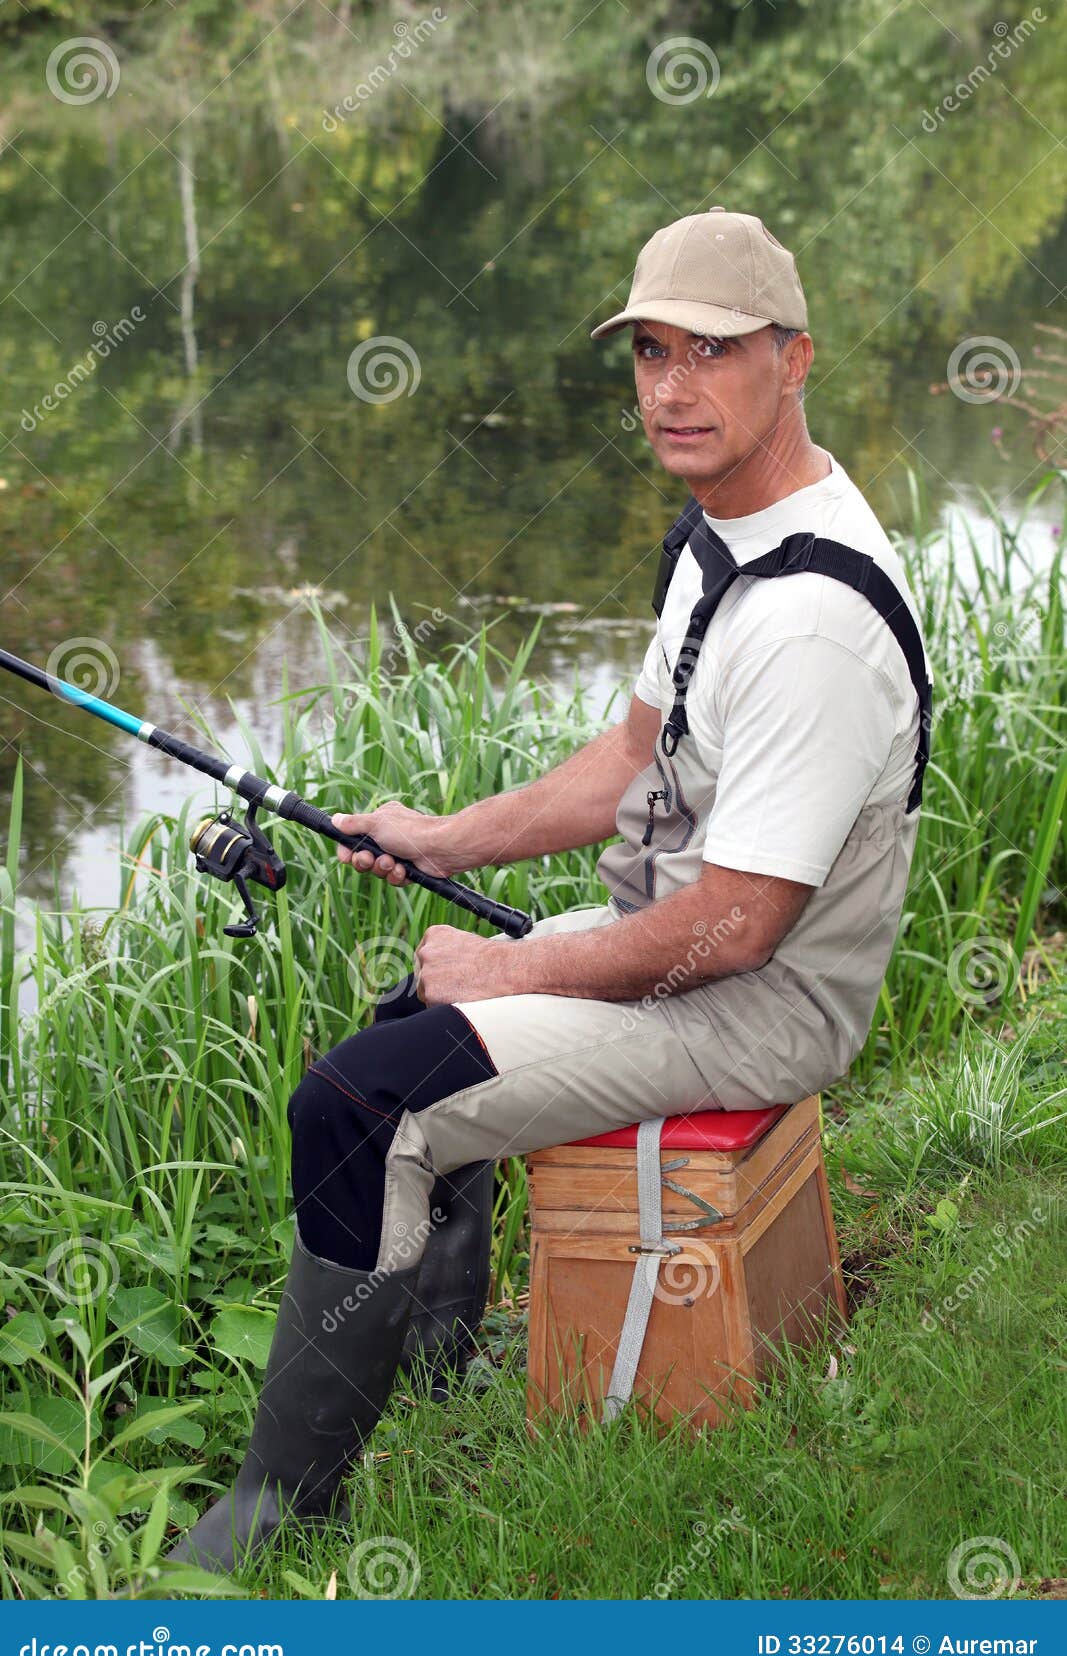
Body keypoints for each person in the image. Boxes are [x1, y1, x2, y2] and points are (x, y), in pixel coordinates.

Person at [171, 206, 932, 1574]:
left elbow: (736, 925)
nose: (672, 389)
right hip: (697, 945)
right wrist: (448, 840)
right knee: (412, 1009)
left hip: (759, 1000)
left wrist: (507, 966)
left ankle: (277, 1516)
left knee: (355, 1105)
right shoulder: (732, 532)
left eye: (711, 351)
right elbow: (636, 754)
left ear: (795, 356)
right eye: (649, 353)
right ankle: (449, 1361)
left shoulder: (811, 618)